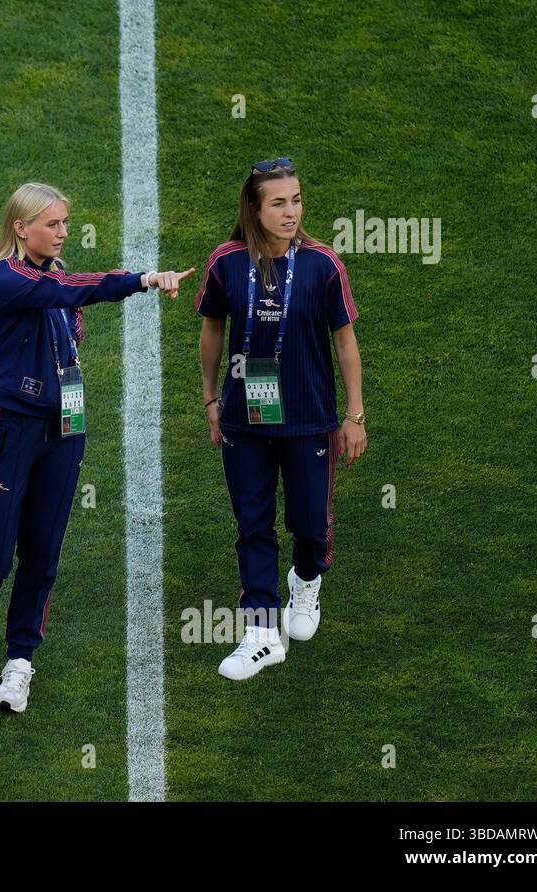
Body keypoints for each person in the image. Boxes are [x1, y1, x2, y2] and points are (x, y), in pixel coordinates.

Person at [0, 182, 193, 712]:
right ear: (20, 227)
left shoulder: (53, 277)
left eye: (65, 224)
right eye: (52, 224)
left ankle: (19, 660)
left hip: (64, 430)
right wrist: (144, 279)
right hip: (8, 427)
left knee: (43, 550)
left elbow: (68, 312)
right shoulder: (3, 279)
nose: (62, 233)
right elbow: (75, 290)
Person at [194, 157, 367, 681]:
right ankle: (262, 632)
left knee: (311, 523)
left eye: (296, 201)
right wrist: (209, 400)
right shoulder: (225, 262)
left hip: (310, 417)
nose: (291, 212)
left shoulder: (321, 264)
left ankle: (307, 580)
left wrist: (354, 414)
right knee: (253, 523)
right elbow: (212, 334)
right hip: (244, 419)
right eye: (278, 202)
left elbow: (345, 342)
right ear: (254, 207)